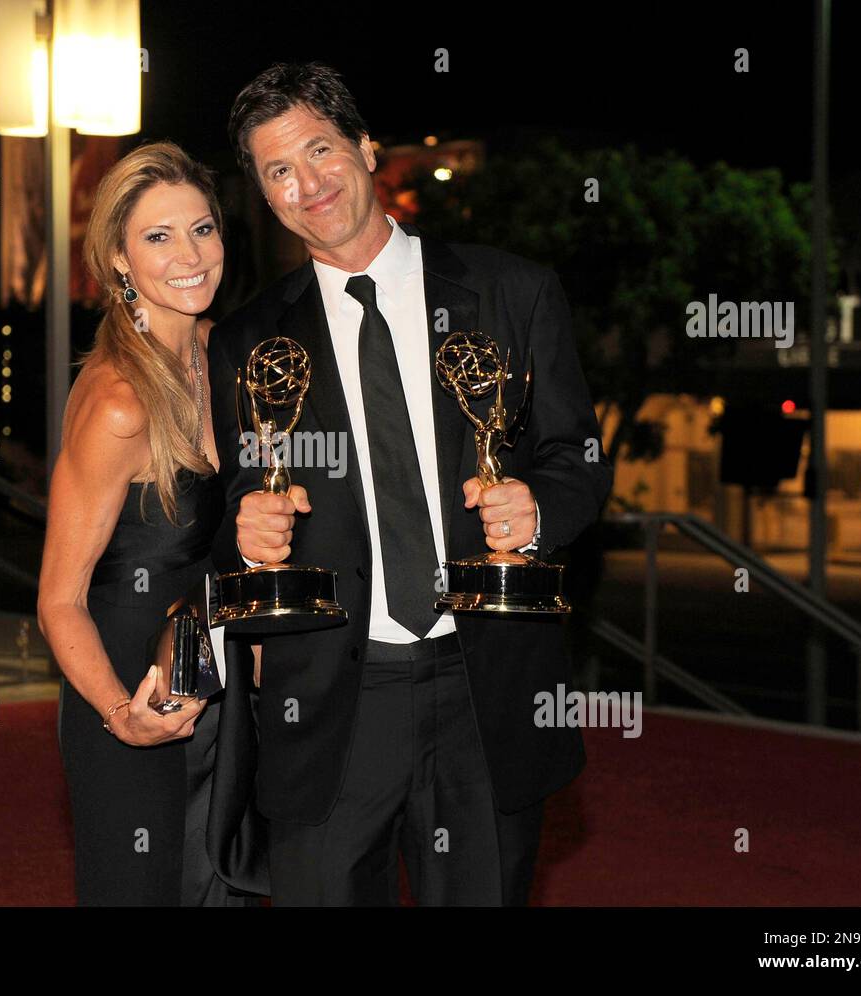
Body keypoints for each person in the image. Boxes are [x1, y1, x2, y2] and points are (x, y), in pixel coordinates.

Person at [208, 63, 613, 905]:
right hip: (327, 703)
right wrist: (245, 531)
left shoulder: (510, 293)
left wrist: (537, 507)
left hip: (485, 685)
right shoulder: (248, 338)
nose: (307, 183)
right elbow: (237, 502)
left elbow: (578, 456)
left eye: (320, 151)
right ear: (264, 194)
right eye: (278, 170)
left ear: (365, 147)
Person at [38, 140, 264, 906]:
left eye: (203, 229)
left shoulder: (219, 354)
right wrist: (117, 716)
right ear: (119, 261)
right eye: (159, 237)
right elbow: (58, 599)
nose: (190, 255)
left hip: (209, 666)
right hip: (128, 685)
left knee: (217, 883)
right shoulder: (118, 402)